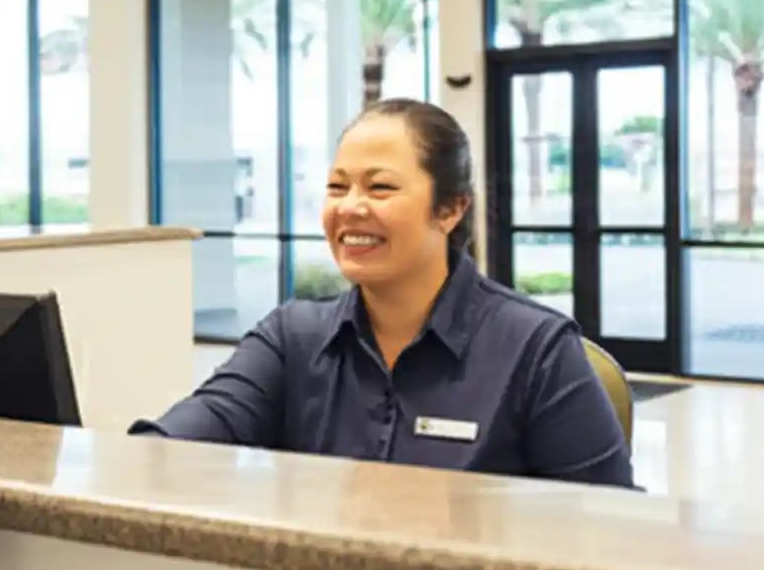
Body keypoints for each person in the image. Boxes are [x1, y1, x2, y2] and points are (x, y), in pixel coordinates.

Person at [131, 98, 634, 488]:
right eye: (336, 187)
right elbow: (178, 444)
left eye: (380, 188)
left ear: (450, 209)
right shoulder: (292, 339)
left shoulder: (536, 350)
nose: (350, 208)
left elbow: (610, 533)